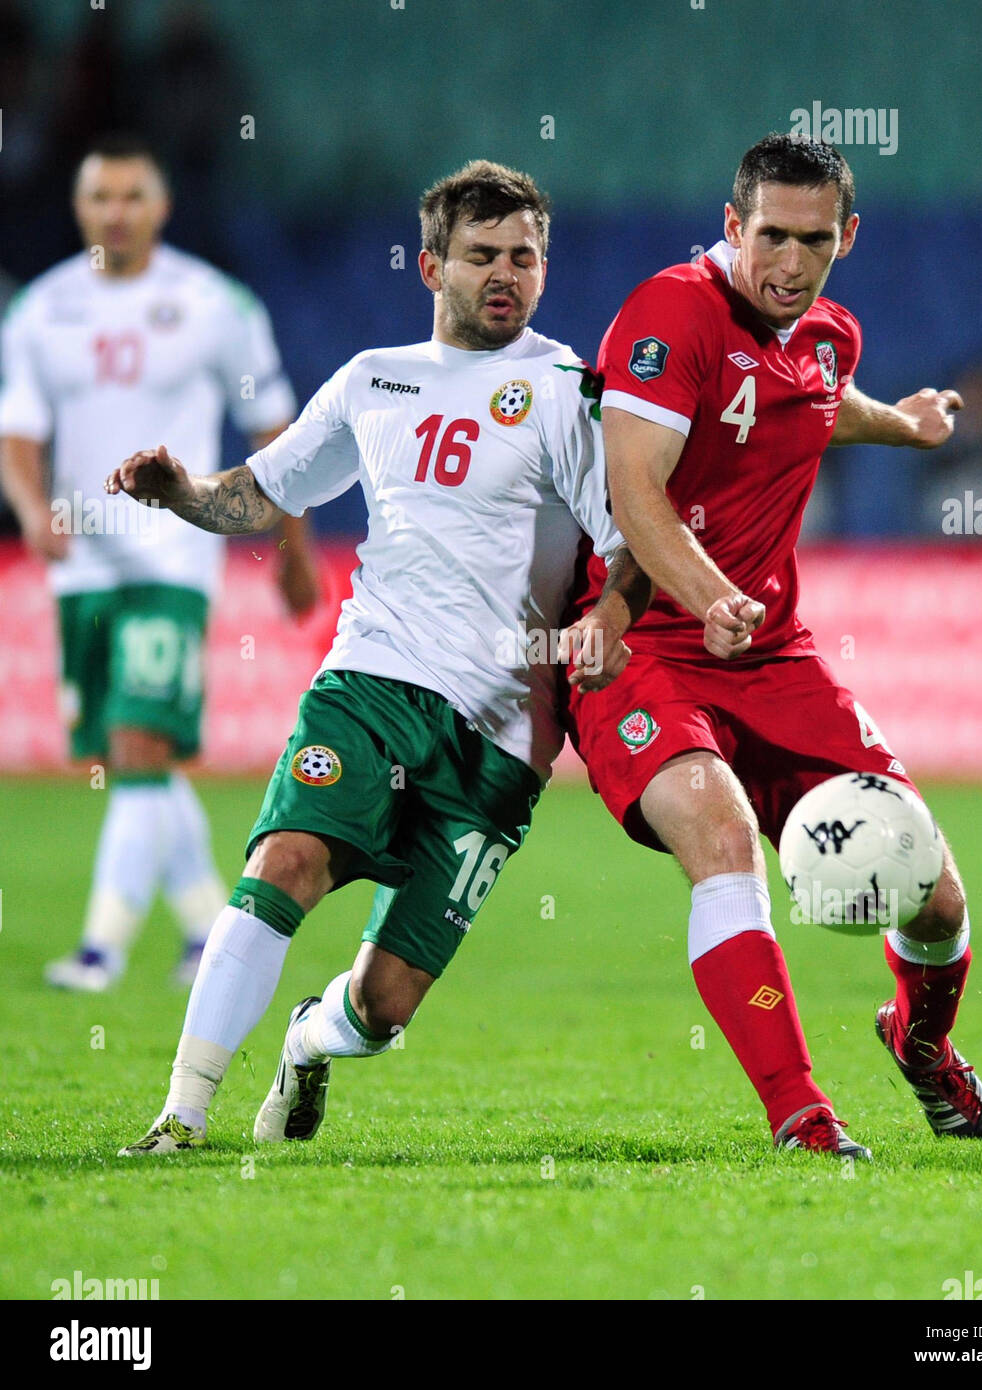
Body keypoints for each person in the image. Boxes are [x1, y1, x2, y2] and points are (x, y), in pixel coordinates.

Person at [112, 160, 646, 1156]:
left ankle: (307, 1045)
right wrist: (182, 491)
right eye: (482, 254)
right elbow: (266, 495)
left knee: (384, 1007)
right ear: (430, 264)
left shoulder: (568, 390)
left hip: (502, 737)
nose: (506, 274)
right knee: (285, 863)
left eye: (525, 256)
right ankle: (181, 1113)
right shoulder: (373, 380)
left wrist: (612, 613)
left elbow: (630, 536)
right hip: (370, 683)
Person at [568, 133, 982, 1159]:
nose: (788, 262)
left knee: (933, 895)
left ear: (846, 237)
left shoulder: (827, 332)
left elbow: (810, 398)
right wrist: (710, 595)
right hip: (645, 645)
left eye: (812, 240)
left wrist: (905, 426)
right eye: (769, 236)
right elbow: (636, 488)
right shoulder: (670, 315)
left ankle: (922, 1045)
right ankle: (801, 1115)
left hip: (774, 656)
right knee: (719, 841)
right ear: (731, 226)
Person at [0, 134, 319, 992]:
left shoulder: (215, 304)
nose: (116, 211)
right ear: (79, 208)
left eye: (133, 196)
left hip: (175, 552)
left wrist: (292, 547)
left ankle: (101, 950)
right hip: (81, 564)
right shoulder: (40, 311)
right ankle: (206, 929)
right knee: (132, 751)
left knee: (137, 743)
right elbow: (17, 433)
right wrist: (33, 511)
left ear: (161, 207)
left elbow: (276, 436)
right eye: (101, 197)